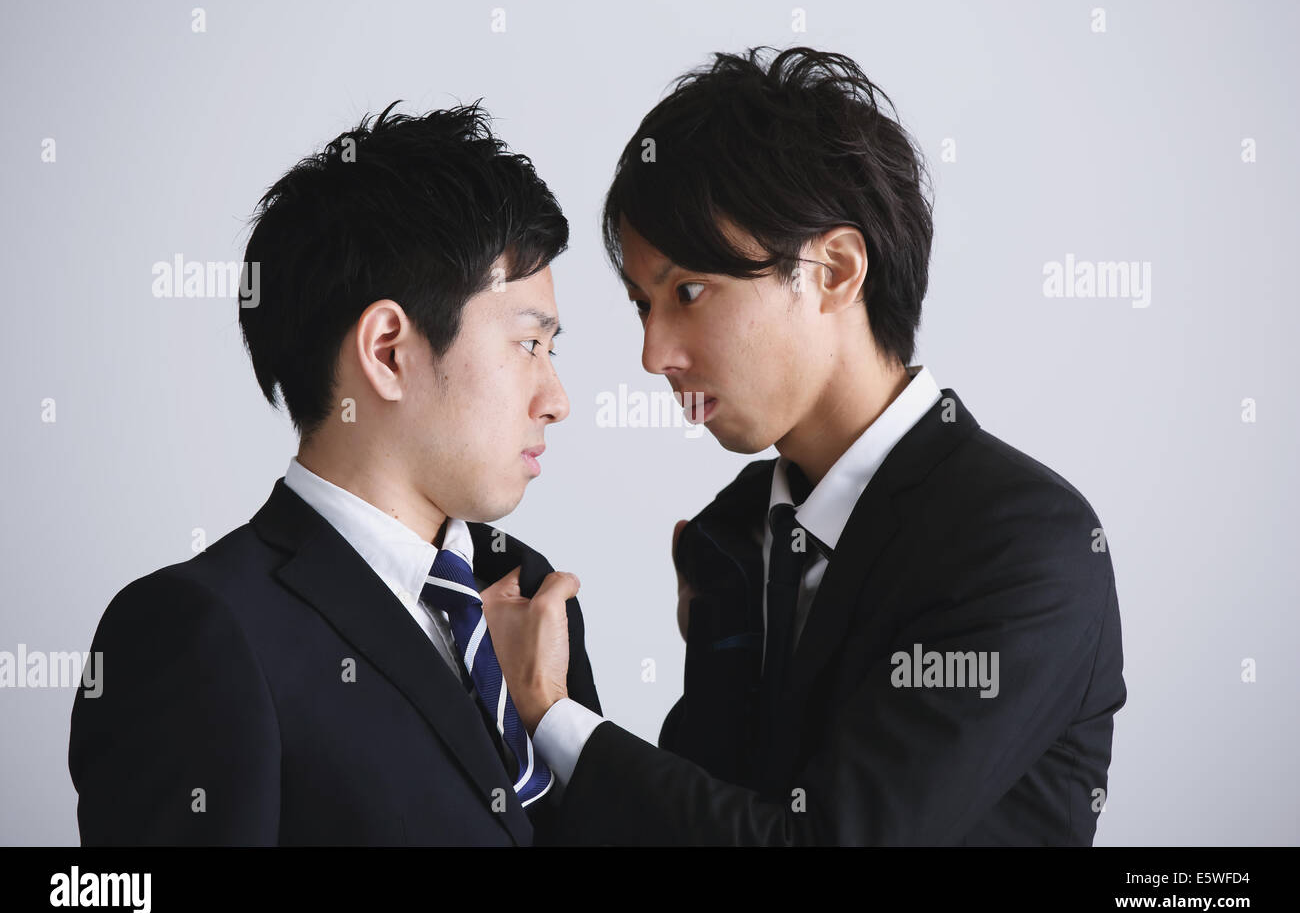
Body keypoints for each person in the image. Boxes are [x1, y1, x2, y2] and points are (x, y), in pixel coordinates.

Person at [481, 47, 1127, 845]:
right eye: (642, 304)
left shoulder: (1025, 543)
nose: (653, 354)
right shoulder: (732, 533)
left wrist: (549, 713)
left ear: (835, 270)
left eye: (688, 292)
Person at [68, 101, 599, 845]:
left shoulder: (527, 593)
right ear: (387, 351)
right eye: (527, 346)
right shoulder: (202, 634)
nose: (557, 400)